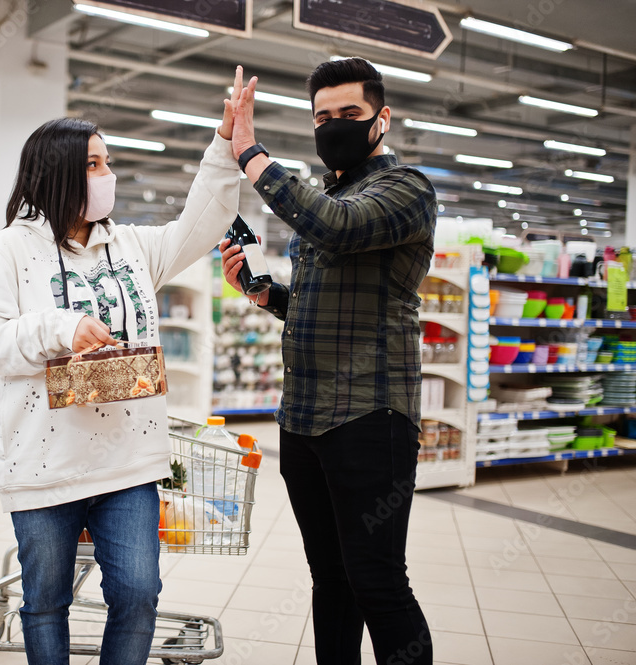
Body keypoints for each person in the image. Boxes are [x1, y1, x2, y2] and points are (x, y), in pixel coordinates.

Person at [0, 70, 247, 664]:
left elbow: (202, 220)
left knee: (138, 594)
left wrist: (224, 144)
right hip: (43, 466)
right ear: (57, 172)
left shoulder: (133, 248)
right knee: (45, 601)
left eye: (107, 162)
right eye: (93, 164)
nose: (106, 174)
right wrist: (56, 328)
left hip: (129, 463)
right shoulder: (6, 252)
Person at [220, 58, 437, 665]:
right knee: (331, 578)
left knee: (378, 581)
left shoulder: (407, 190)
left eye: (349, 113)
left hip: (370, 416)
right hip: (304, 418)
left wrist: (251, 153)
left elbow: (339, 229)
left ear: (381, 118)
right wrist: (265, 294)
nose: (334, 126)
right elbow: (321, 308)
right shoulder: (327, 195)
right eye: (322, 117)